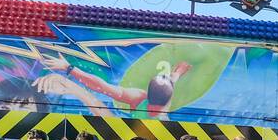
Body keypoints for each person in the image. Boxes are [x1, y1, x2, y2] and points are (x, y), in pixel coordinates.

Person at [39, 55, 192, 115]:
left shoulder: (167, 94)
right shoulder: (139, 97)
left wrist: (180, 70)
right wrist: (69, 68)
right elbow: (102, 86)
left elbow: (173, 78)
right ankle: (75, 90)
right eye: (154, 108)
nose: (155, 110)